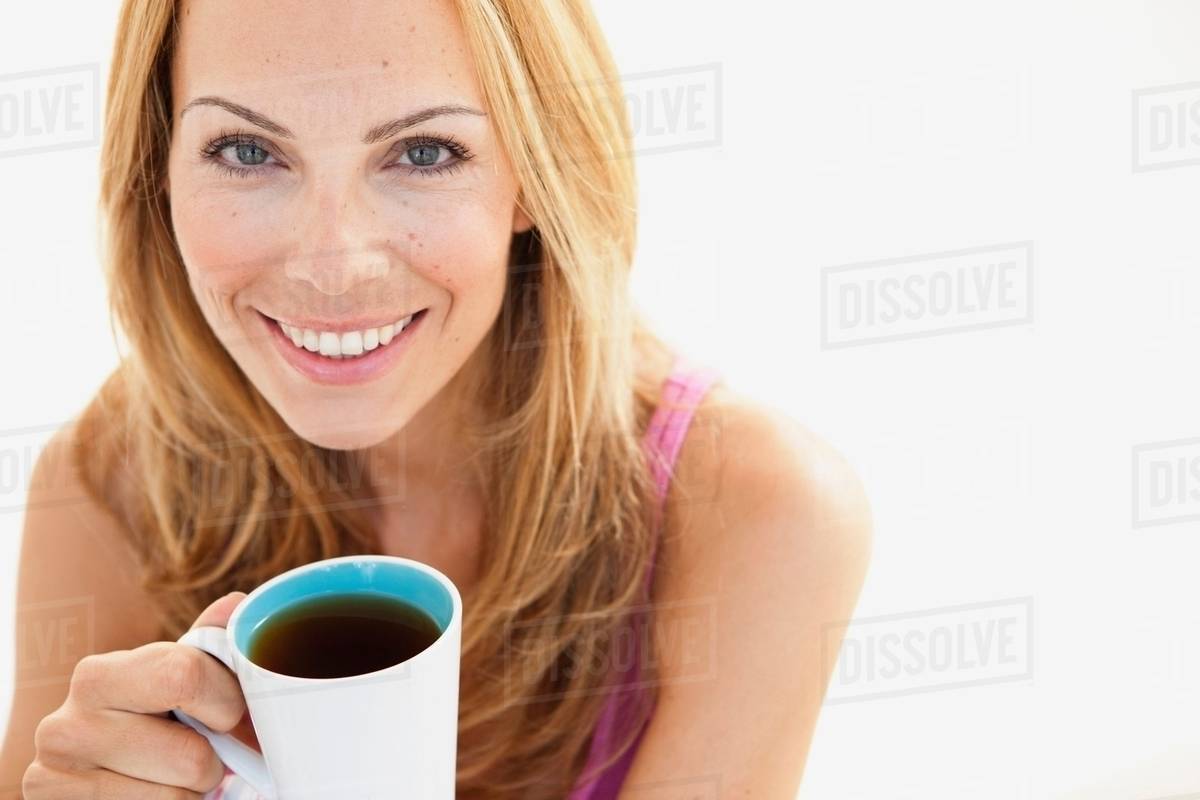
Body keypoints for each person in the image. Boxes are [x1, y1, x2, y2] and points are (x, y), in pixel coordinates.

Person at [0, 0, 873, 797]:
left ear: (535, 171)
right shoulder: (106, 481)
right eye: (247, 151)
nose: (335, 266)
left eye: (424, 153)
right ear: (158, 167)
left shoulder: (758, 514)